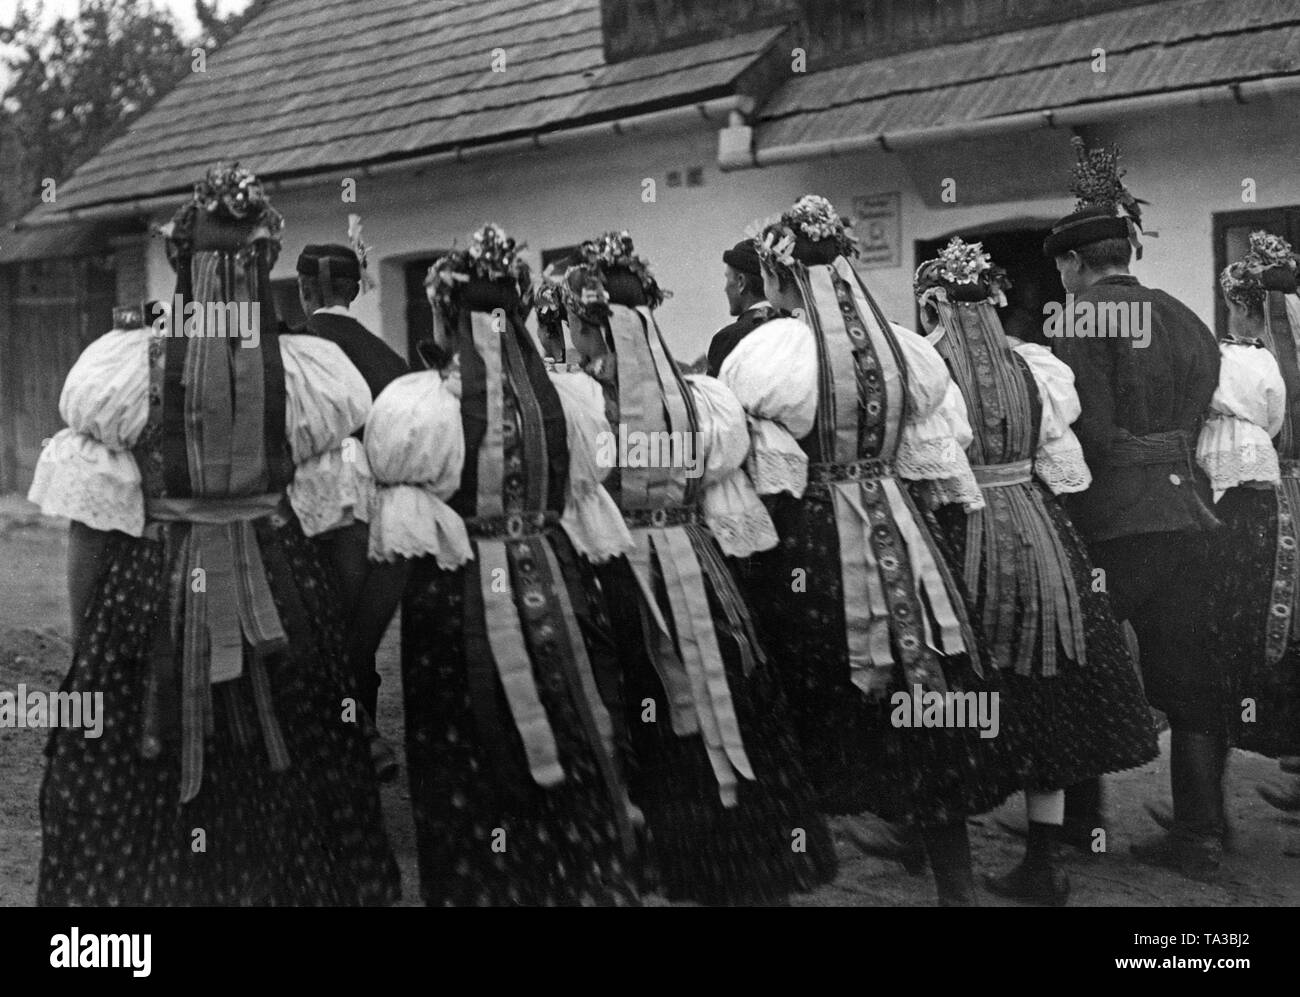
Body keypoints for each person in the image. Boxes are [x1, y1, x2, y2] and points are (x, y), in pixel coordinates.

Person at [27, 163, 400, 905]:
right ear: (268, 264)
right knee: (291, 775)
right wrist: (339, 652)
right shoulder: (310, 378)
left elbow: (93, 536)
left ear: (177, 262)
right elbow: (342, 536)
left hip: (148, 605)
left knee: (135, 778)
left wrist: (91, 649)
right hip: (285, 609)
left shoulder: (127, 368)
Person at [720, 195, 1022, 906]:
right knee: (925, 686)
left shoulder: (771, 353)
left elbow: (757, 461)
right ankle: (956, 883)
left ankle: (804, 860)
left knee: (811, 689)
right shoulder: (900, 347)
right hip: (906, 533)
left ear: (779, 274)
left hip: (813, 540)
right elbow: (930, 449)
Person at [542, 230, 837, 904]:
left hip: (620, 581)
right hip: (699, 569)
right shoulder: (696, 395)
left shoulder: (580, 406)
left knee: (648, 714)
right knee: (717, 700)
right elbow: (720, 474)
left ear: (591, 327)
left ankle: (667, 867)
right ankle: (741, 867)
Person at [365, 223, 641, 905]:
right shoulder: (568, 401)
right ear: (517, 313)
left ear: (447, 315)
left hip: (457, 602)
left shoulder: (418, 408)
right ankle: (581, 877)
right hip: (558, 586)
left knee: (471, 753)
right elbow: (587, 502)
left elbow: (402, 540)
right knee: (570, 720)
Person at [914, 238, 1158, 905]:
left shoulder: (924, 368)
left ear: (934, 300)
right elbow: (1064, 463)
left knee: (954, 688)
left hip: (960, 528)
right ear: (991, 300)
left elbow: (926, 470)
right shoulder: (1034, 366)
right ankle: (1043, 860)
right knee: (1044, 686)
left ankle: (939, 850)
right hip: (1038, 525)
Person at [1043, 139, 1223, 877]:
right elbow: (1197, 412)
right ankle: (1201, 833)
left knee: (1080, 666)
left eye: (1060, 267)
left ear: (1077, 263)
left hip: (1112, 522)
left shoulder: (1081, 318)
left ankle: (1080, 824)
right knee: (1191, 677)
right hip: (1191, 518)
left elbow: (1087, 433)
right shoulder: (1186, 316)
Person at [294, 235, 408, 781]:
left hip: (317, 511)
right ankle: (362, 736)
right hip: (385, 517)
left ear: (305, 288)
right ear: (354, 290)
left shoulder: (298, 346)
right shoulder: (390, 357)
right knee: (360, 635)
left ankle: (332, 750)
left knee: (315, 630)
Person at [1202, 234, 1299, 829]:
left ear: (1240, 306)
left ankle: (1206, 813)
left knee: (1227, 644)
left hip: (1266, 507)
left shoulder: (1239, 364)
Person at [707, 239, 778, 377]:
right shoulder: (795, 326)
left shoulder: (727, 339)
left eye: (728, 279)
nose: (725, 288)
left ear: (741, 282)